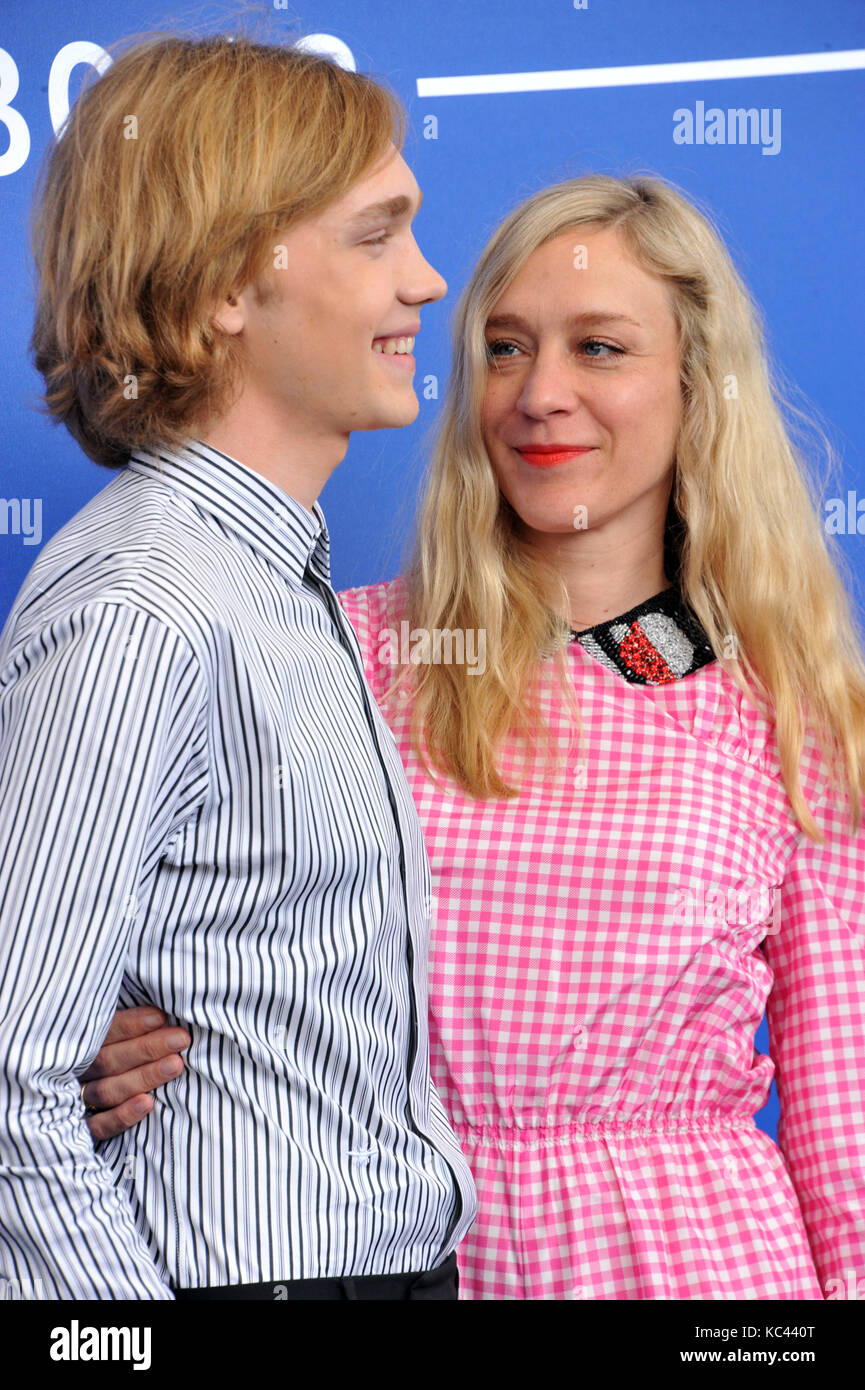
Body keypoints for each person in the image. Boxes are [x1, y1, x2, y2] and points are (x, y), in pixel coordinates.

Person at [95, 169, 865, 1300]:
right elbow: (113, 944)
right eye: (505, 348)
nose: (539, 394)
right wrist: (85, 1052)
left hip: (700, 1277)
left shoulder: (787, 709)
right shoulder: (330, 651)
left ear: (701, 387)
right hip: (381, 1255)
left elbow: (844, 1123)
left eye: (598, 348)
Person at [0, 33, 478, 1300]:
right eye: (375, 237)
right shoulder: (146, 604)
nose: (427, 281)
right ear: (225, 282)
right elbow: (12, 1082)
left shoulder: (268, 586)